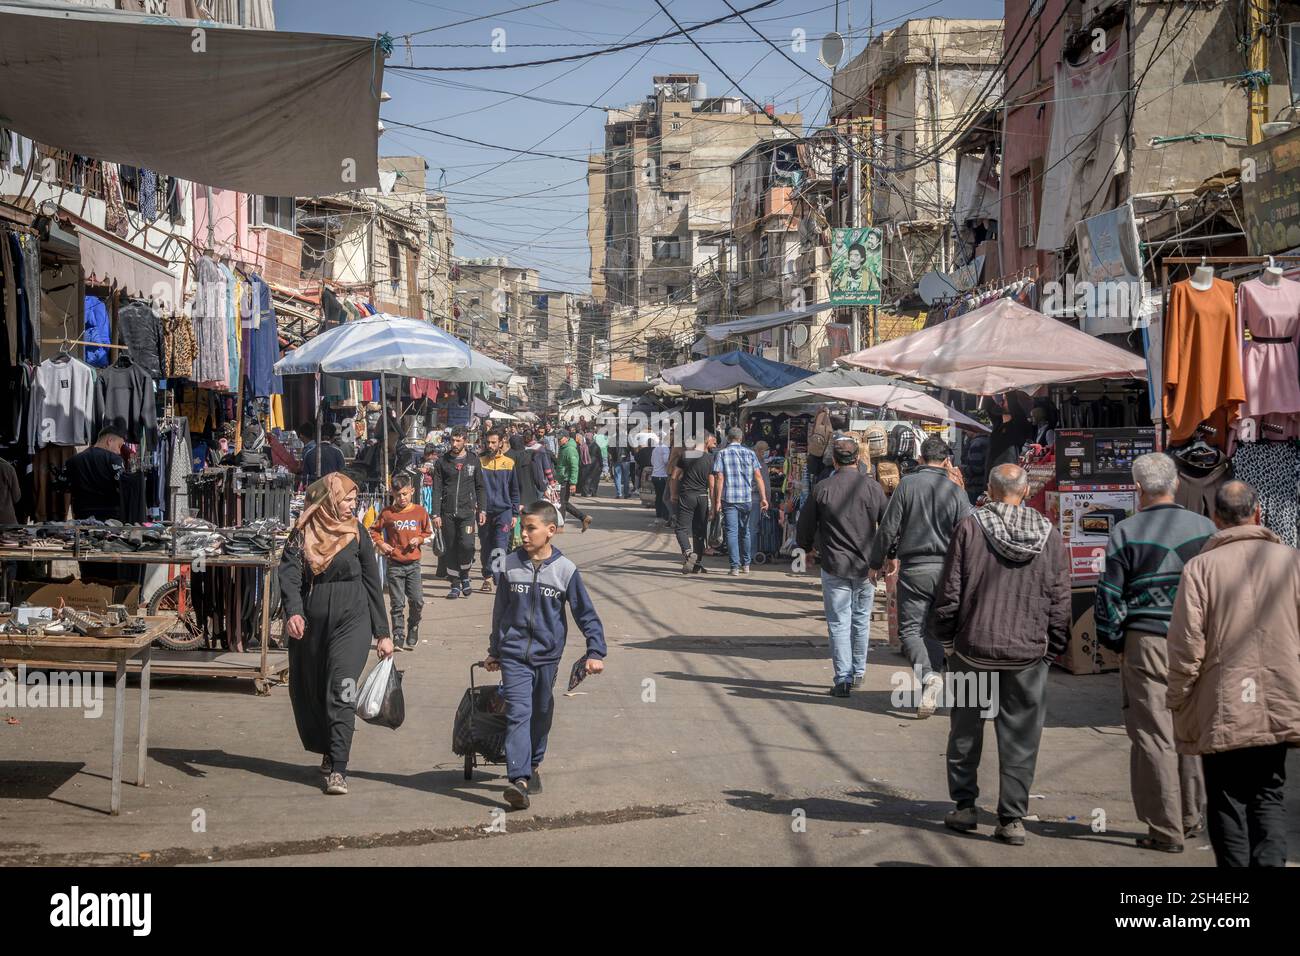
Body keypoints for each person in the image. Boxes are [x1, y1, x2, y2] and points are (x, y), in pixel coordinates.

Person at [931, 463, 1070, 846]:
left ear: (990, 491)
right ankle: (1011, 819)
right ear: (1025, 492)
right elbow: (1061, 599)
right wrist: (1052, 648)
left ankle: (964, 807)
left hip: (972, 649)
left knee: (964, 730)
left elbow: (950, 592)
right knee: (1021, 738)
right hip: (1027, 654)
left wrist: (945, 639)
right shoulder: (1049, 535)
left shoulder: (970, 527)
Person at [1166, 480, 1300, 866]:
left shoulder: (1200, 569)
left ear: (1216, 518)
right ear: (1257, 513)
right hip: (1278, 696)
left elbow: (1186, 646)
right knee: (1269, 792)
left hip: (1222, 700)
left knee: (1225, 796)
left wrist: (1177, 696)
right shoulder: (1292, 561)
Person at [1095, 452, 1214, 853]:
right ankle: (1192, 816)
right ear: (1176, 484)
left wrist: (1114, 641)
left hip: (1145, 641)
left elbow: (1109, 598)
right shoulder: (1206, 529)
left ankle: (1165, 829)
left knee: (1152, 732)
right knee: (1189, 730)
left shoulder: (1125, 532)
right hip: (1196, 641)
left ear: (1138, 490)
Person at [485, 500, 607, 810]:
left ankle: (534, 763)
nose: (523, 534)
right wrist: (495, 650)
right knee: (518, 713)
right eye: (521, 528)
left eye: (530, 528)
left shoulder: (566, 570)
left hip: (547, 656)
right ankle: (518, 780)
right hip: (513, 655)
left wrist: (595, 650)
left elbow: (585, 613)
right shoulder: (509, 565)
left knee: (540, 711)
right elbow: (500, 611)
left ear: (551, 531)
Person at [279, 473, 392, 796]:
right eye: (346, 501)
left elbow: (373, 582)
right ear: (328, 501)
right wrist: (294, 611)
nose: (352, 507)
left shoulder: (357, 533)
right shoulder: (302, 533)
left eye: (354, 501)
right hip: (313, 621)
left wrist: (383, 633)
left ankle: (339, 768)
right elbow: (288, 574)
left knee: (341, 688)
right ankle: (329, 747)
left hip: (353, 619)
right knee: (313, 689)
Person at [869, 436, 970, 717]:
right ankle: (933, 677)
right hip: (949, 570)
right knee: (935, 630)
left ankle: (929, 677)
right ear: (947, 460)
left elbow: (889, 528)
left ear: (922, 459)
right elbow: (968, 532)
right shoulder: (956, 491)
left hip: (915, 569)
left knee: (910, 631)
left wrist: (877, 562)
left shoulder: (907, 485)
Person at [796, 437, 888, 696]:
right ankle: (857, 673)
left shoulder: (823, 488)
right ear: (858, 459)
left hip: (834, 564)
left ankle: (843, 679)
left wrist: (806, 549)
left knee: (839, 622)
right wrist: (887, 556)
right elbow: (889, 524)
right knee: (861, 621)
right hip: (867, 567)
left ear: (834, 461)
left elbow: (805, 525)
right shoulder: (873, 488)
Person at [370, 474, 432, 652]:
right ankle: (398, 634)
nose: (402, 498)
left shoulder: (420, 512)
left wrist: (419, 540)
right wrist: (382, 544)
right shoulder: (387, 513)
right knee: (397, 603)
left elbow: (429, 533)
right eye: (398, 495)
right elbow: (374, 531)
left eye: (405, 494)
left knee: (417, 600)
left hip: (413, 565)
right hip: (394, 564)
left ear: (412, 491)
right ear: (392, 494)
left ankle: (413, 625)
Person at [430, 425, 487, 599]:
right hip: (447, 513)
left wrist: (482, 509)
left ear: (465, 440)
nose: (454, 443)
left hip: (467, 512)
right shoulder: (442, 462)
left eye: (458, 440)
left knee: (467, 545)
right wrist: (435, 514)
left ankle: (465, 575)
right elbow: (437, 489)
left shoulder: (473, 460)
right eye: (452, 440)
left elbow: (480, 487)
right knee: (451, 548)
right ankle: (455, 583)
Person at [710, 427, 767, 575]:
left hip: (729, 499)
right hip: (747, 499)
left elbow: (719, 478)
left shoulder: (722, 454)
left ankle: (734, 567)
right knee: (745, 531)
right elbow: (758, 477)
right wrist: (763, 498)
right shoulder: (750, 454)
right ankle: (746, 564)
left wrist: (717, 501)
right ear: (741, 439)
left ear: (728, 439)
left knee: (731, 532)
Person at [479, 429, 521, 594]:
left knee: (500, 547)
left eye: (493, 442)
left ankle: (498, 578)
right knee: (485, 546)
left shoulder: (509, 463)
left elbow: (514, 490)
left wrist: (515, 513)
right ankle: (487, 577)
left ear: (501, 443)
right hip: (484, 512)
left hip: (504, 511)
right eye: (488, 442)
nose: (490, 445)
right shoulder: (480, 462)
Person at [670, 431, 717, 574]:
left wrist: (673, 494)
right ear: (706, 441)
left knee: (681, 528)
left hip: (687, 496)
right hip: (702, 497)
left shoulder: (685, 455)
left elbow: (674, 476)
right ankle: (697, 565)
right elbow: (712, 484)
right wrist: (714, 505)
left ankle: (689, 553)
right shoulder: (710, 458)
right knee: (699, 532)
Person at [554, 430, 592, 531]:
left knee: (561, 503)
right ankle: (583, 518)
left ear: (566, 438)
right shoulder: (563, 448)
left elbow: (574, 467)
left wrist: (573, 483)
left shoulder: (570, 449)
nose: (559, 441)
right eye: (558, 439)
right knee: (563, 502)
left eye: (560, 439)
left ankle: (560, 526)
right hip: (562, 478)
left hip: (566, 479)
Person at [300, 421, 345, 488]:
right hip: (332, 492)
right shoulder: (338, 453)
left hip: (314, 492)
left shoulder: (309, 454)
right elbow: (343, 477)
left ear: (318, 436)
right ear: (333, 437)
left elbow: (305, 479)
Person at [650, 434, 672, 526]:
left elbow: (652, 462)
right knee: (665, 497)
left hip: (655, 475)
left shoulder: (655, 449)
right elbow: (666, 461)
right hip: (662, 476)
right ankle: (665, 517)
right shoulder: (665, 448)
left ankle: (658, 516)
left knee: (658, 497)